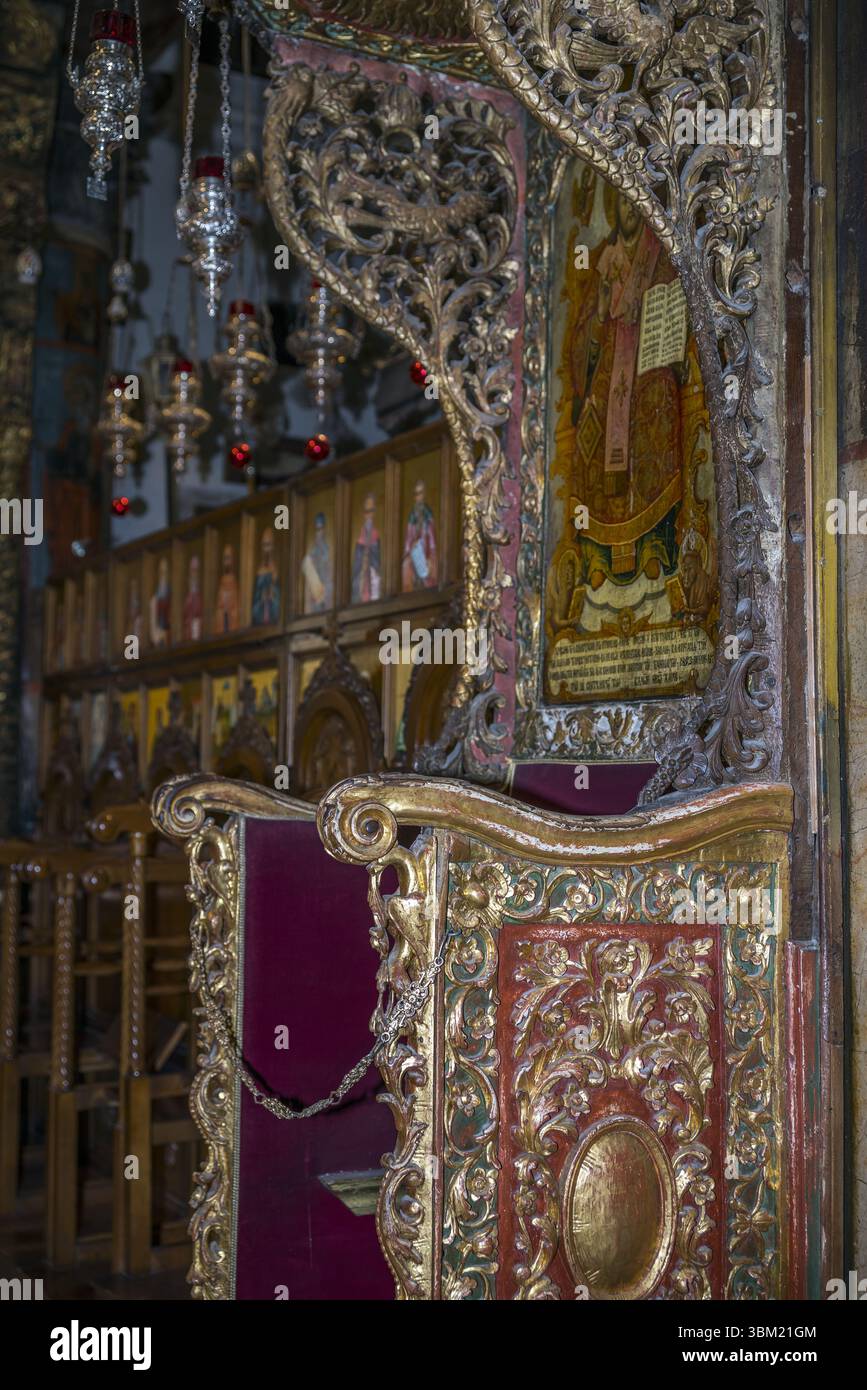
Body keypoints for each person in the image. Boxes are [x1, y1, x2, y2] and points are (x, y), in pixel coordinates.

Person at [401, 479, 438, 591]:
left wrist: (430, 555)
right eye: (416, 494)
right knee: (406, 564)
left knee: (430, 565)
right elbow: (408, 539)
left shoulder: (428, 515)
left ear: (424, 495)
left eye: (420, 493)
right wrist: (410, 549)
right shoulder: (412, 516)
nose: (418, 497)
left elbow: (432, 540)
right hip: (414, 550)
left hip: (427, 550)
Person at [351, 492, 381, 604]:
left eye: (371, 511)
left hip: (372, 578)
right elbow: (357, 565)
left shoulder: (376, 534)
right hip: (362, 578)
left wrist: (370, 557)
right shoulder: (361, 534)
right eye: (366, 511)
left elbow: (377, 560)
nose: (368, 515)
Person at [302, 512, 333, 612]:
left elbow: (330, 574)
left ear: (324, 530)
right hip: (314, 596)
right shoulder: (311, 553)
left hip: (325, 593)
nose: (318, 533)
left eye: (320, 529)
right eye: (316, 529)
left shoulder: (328, 550)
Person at [252, 526, 281, 625]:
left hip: (272, 611)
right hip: (261, 611)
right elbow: (256, 598)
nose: (266, 549)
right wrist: (262, 596)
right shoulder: (259, 570)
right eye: (264, 545)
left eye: (268, 545)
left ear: (273, 546)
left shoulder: (276, 569)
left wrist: (272, 593)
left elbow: (278, 596)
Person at [214, 543, 241, 633]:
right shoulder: (221, 581)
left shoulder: (234, 581)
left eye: (228, 558)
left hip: (231, 619)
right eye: (225, 558)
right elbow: (219, 605)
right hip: (222, 619)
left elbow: (236, 605)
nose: (227, 562)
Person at [149, 556, 171, 647]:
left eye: (165, 572)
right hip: (158, 635)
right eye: (161, 572)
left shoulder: (170, 592)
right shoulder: (155, 598)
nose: (163, 575)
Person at [183, 554, 203, 641]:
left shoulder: (200, 594)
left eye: (195, 570)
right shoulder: (188, 596)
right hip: (189, 626)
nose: (194, 574)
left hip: (198, 625)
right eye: (192, 570)